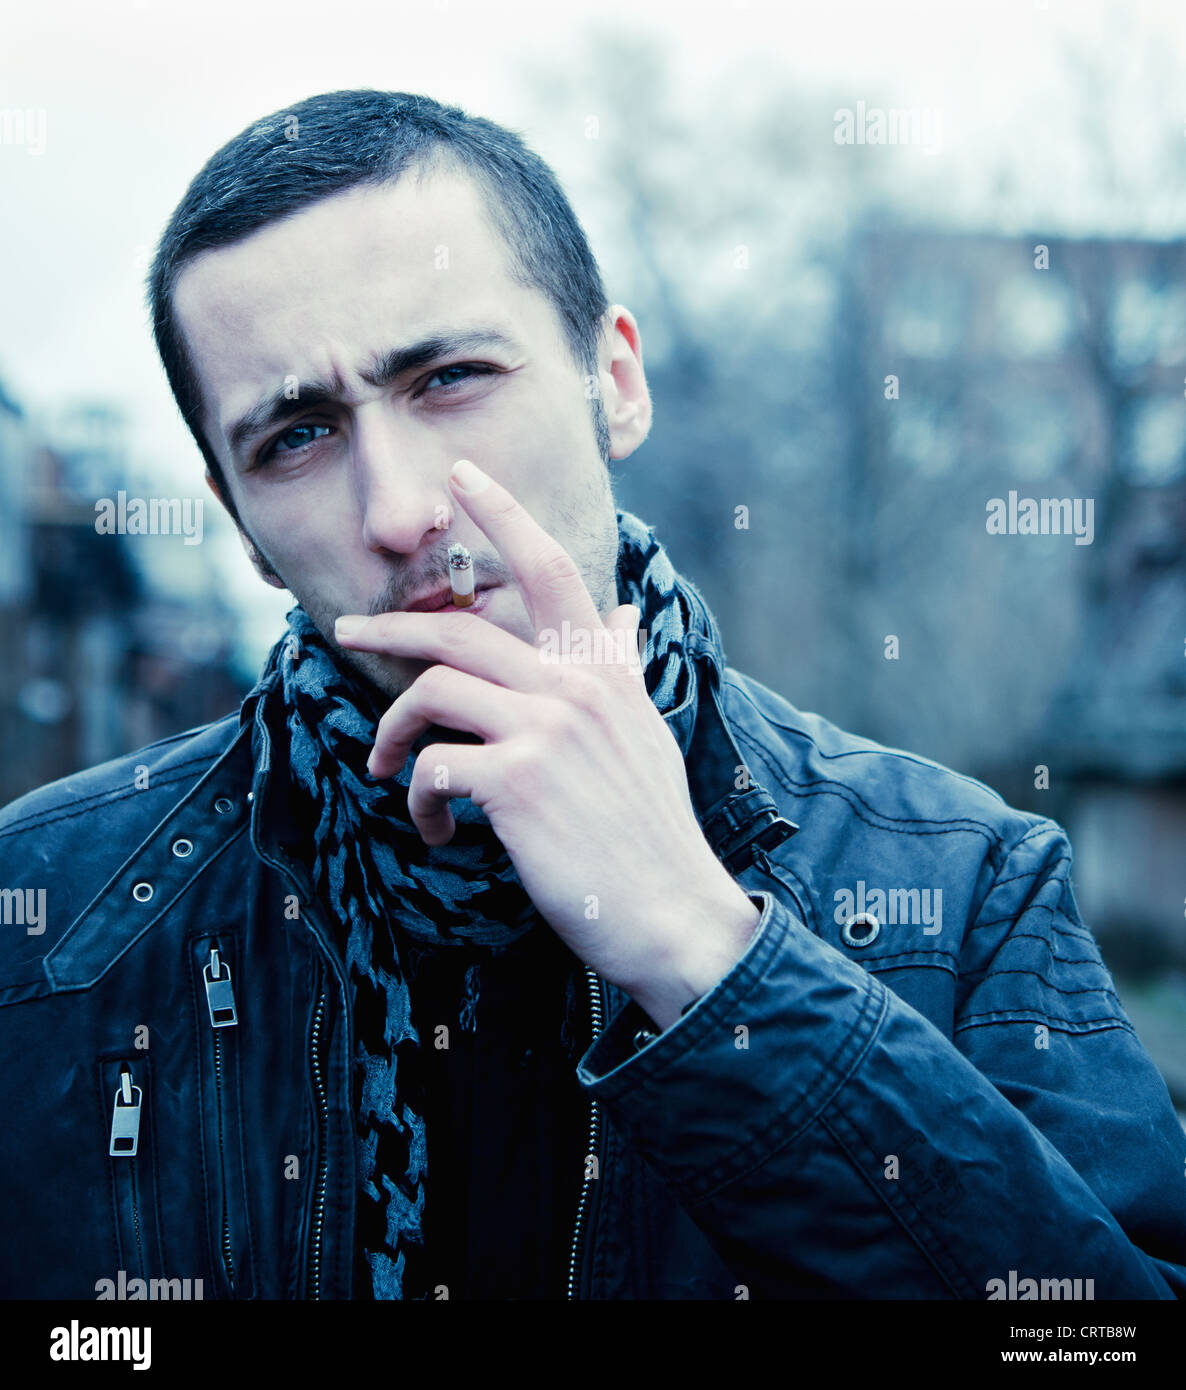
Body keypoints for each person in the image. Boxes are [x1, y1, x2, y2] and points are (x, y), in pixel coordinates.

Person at [1, 88, 1183, 1302]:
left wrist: (712, 959)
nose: (399, 509)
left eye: (451, 376)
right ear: (241, 525)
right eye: (295, 436)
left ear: (613, 381)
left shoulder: (963, 889)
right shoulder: (43, 914)